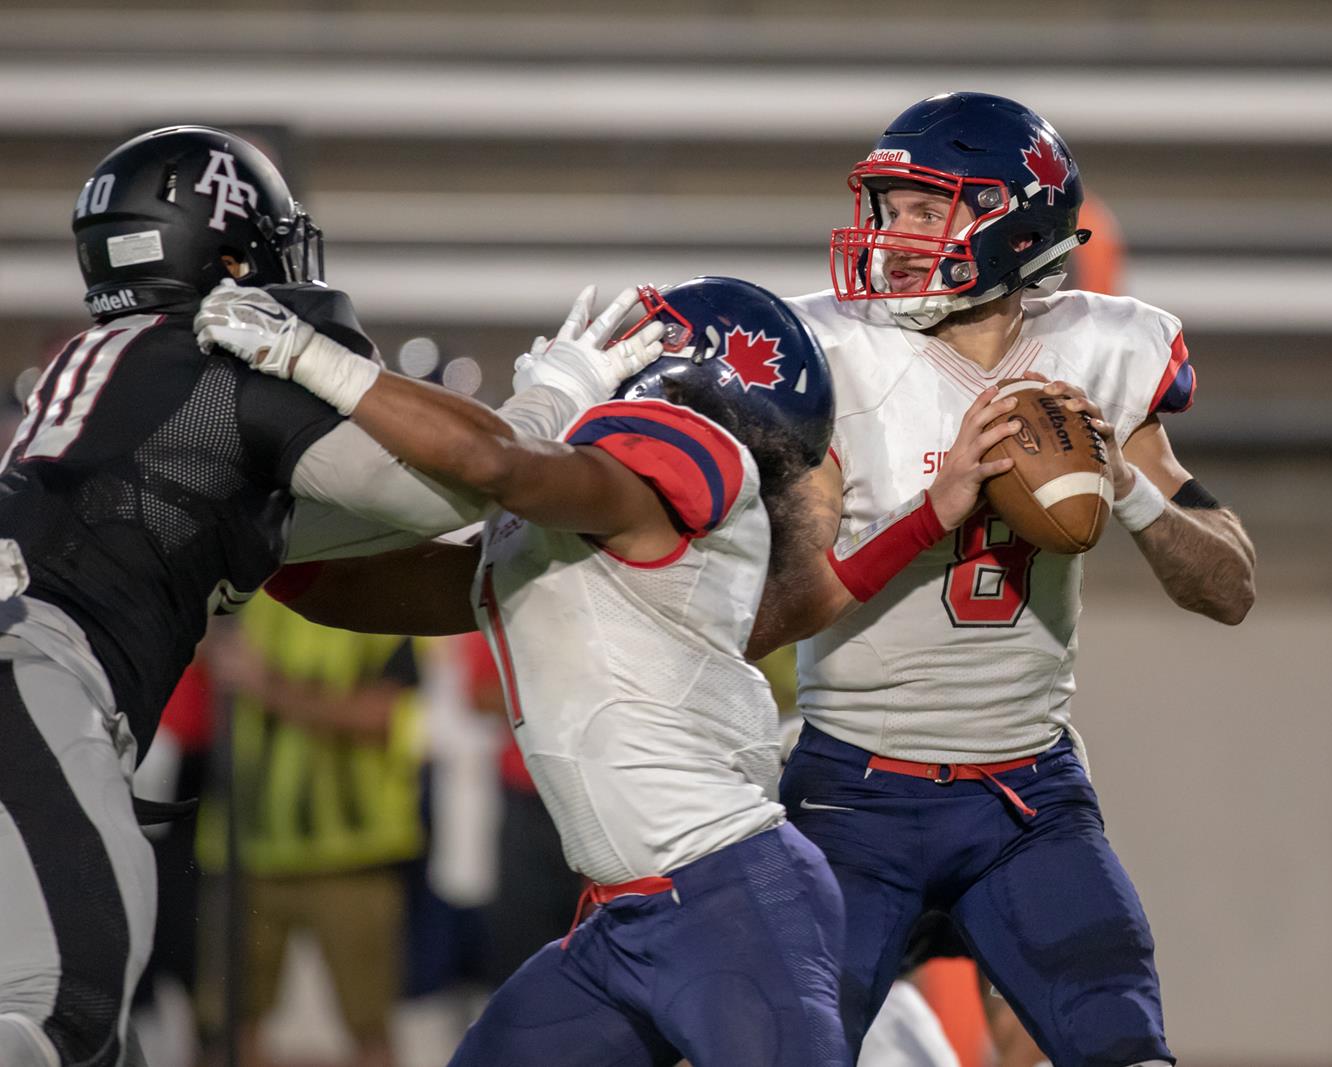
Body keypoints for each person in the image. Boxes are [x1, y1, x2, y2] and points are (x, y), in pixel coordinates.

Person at [192, 275, 851, 1067]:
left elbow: (492, 459)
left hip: (731, 902)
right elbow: (346, 591)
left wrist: (312, 359)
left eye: (645, 338)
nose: (605, 355)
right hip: (628, 920)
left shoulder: (690, 475)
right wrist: (248, 514)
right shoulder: (566, 534)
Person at [745, 92, 1258, 1067]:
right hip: (852, 792)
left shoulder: (1100, 352)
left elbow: (1227, 585)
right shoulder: (837, 358)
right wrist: (926, 514)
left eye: (921, 209)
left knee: (1118, 1045)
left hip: (1024, 798)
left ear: (1011, 221)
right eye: (886, 207)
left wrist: (1127, 489)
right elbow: (771, 615)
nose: (890, 235)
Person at [0, 124, 484, 1067]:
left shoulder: (105, 376)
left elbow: (315, 529)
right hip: (32, 667)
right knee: (70, 1010)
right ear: (227, 256)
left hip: (29, 665)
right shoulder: (216, 370)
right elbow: (456, 481)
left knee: (102, 1037)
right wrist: (547, 424)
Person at [195, 598, 424, 1067]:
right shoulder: (241, 598)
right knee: (229, 1030)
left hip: (351, 855)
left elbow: (379, 716)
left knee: (368, 1027)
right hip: (244, 849)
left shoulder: (384, 603)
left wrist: (269, 686)